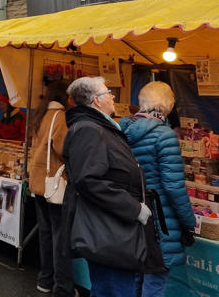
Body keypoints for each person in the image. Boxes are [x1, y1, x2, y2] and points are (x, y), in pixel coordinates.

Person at [63, 76, 155, 297]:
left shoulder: (101, 127)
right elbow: (88, 180)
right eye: (108, 92)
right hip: (107, 231)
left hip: (112, 228)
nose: (113, 96)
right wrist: (134, 209)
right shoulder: (89, 129)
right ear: (96, 100)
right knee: (113, 289)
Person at [120, 82, 195, 297]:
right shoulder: (165, 135)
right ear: (168, 104)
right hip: (159, 221)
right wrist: (189, 221)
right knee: (155, 282)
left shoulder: (122, 130)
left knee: (136, 277)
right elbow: (173, 187)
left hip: (131, 213)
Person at [27, 80, 74, 296]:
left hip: (38, 182)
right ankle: (62, 287)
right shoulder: (60, 117)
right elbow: (63, 148)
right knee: (60, 236)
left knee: (45, 233)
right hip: (53, 184)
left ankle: (44, 280)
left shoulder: (41, 115)